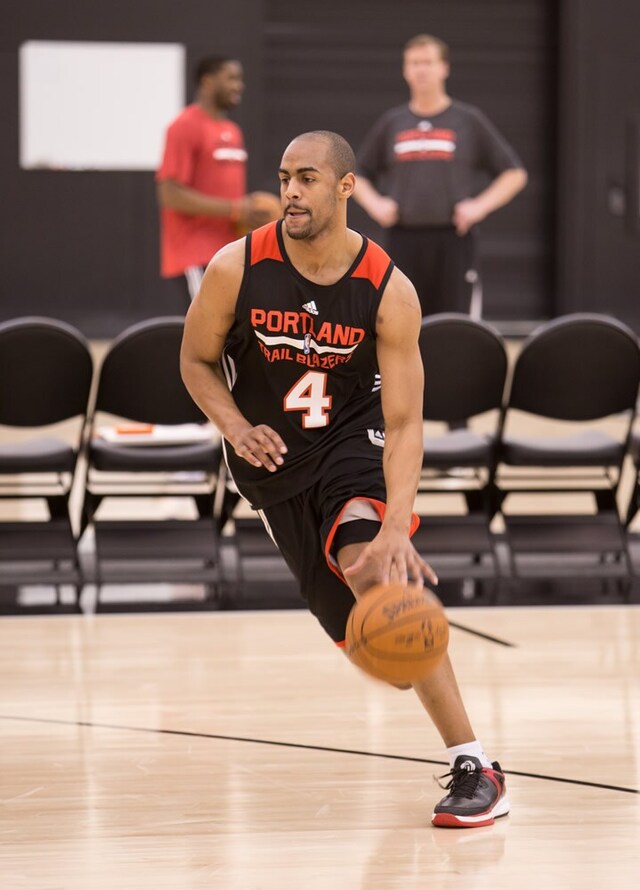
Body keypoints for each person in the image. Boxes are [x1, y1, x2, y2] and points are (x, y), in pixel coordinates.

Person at [180, 130, 510, 828]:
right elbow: (196, 362)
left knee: (372, 572)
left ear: (345, 187)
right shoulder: (234, 267)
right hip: (271, 466)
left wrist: (395, 526)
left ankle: (475, 765)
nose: (291, 192)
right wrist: (236, 428)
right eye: (284, 177)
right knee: (372, 641)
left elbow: (408, 421)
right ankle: (410, 665)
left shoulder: (389, 290)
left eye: (306, 178)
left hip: (354, 444)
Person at [354, 34, 528, 316]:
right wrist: (376, 204)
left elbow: (515, 173)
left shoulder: (468, 120)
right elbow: (358, 174)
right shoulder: (392, 122)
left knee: (454, 322)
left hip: (454, 240)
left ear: (444, 68)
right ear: (405, 70)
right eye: (414, 63)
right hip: (403, 238)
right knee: (402, 317)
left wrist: (479, 206)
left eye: (428, 62)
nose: (421, 69)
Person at [156, 55, 278, 304]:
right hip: (194, 253)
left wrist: (249, 213)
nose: (239, 85)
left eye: (240, 79)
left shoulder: (233, 131)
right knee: (206, 333)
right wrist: (235, 209)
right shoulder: (184, 126)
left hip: (229, 250)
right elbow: (169, 194)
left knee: (231, 332)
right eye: (231, 78)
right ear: (207, 81)